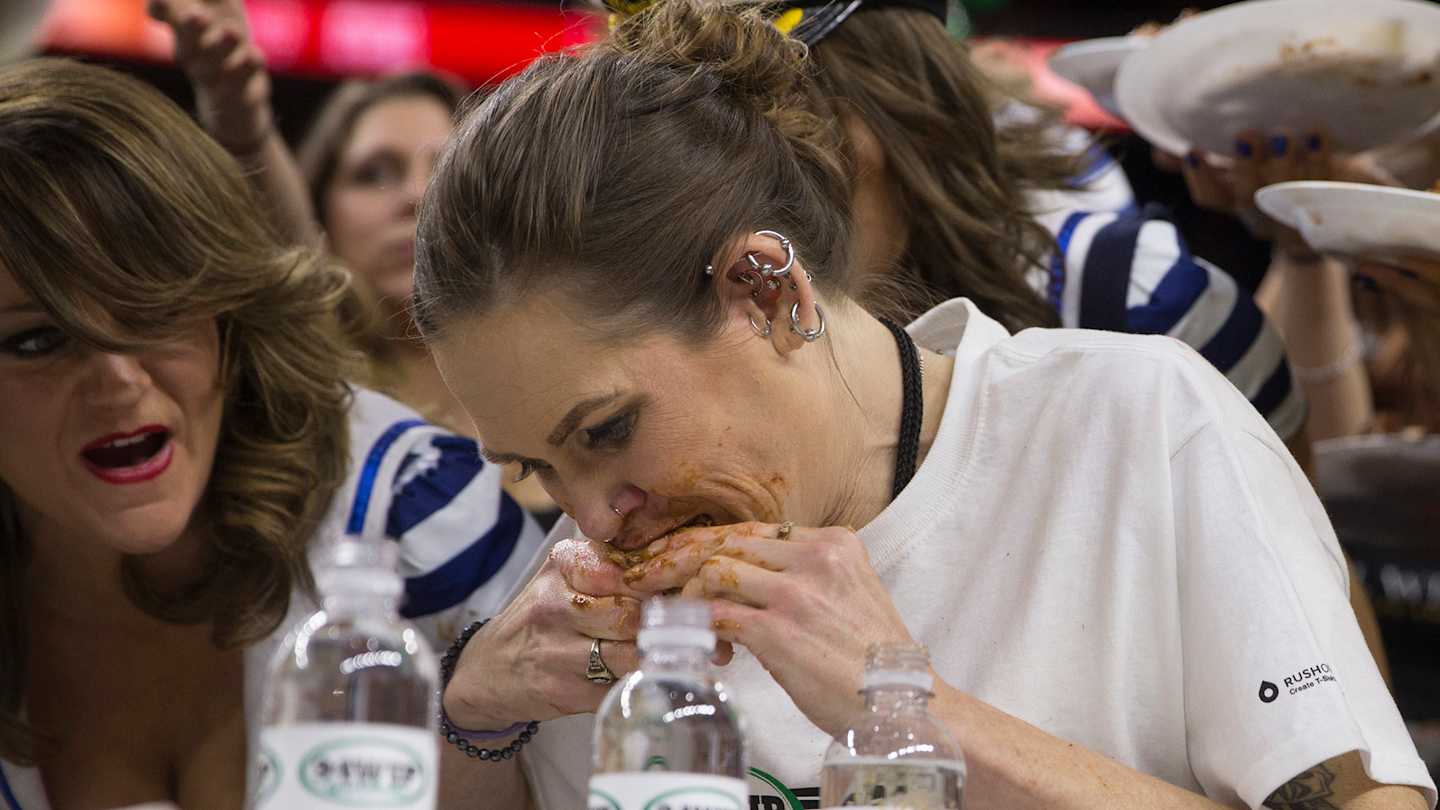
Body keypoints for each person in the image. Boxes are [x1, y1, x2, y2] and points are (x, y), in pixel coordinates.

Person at [416, 3, 1434, 808]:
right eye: (540, 468)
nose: (593, 518)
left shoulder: (1137, 425)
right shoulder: (577, 638)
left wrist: (916, 713)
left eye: (605, 431)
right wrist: (472, 721)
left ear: (769, 292)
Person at [0, 58, 546, 809]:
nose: (119, 381)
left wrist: (474, 729)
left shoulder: (406, 499)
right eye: (37, 341)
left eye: (154, 310)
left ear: (227, 314)